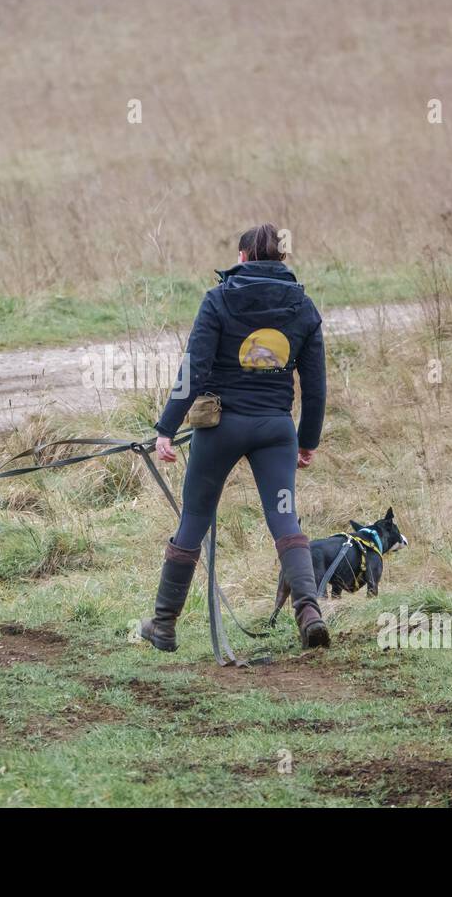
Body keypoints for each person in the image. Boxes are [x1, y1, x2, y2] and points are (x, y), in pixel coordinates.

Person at [139, 223, 328, 652]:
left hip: (221, 429)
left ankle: (164, 626)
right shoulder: (303, 307)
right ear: (282, 259)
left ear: (242, 257)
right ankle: (309, 612)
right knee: (285, 518)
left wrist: (167, 428)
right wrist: (307, 439)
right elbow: (315, 385)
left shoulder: (219, 299)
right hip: (276, 432)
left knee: (194, 517)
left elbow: (194, 370)